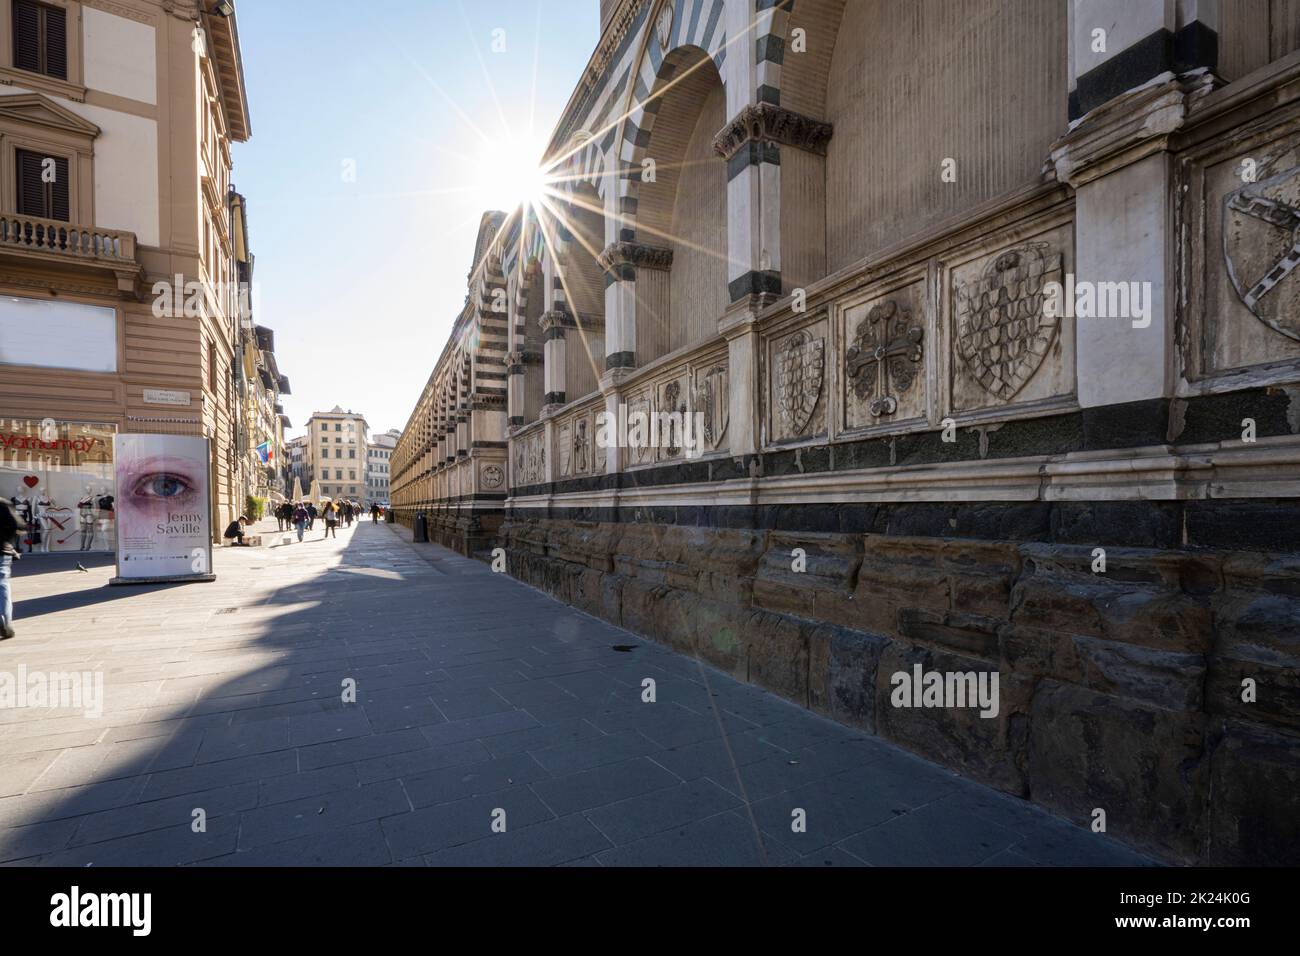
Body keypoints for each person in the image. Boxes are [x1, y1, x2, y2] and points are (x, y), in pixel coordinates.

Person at [0, 496, 25, 640]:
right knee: (2, 584)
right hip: (1, 550)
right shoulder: (2, 504)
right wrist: (8, 540)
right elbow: (19, 525)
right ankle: (4, 618)